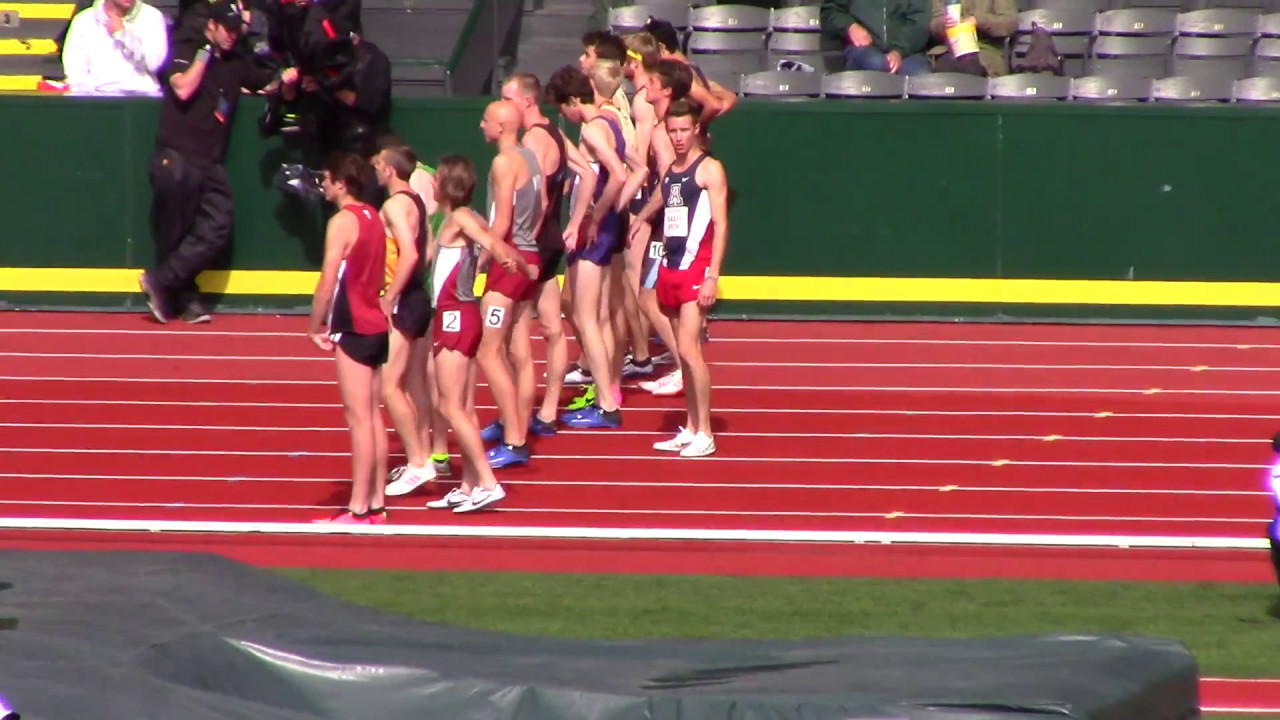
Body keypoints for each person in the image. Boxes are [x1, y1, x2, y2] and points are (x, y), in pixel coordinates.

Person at [139, 0, 292, 324]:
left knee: (218, 225)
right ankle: (183, 296)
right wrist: (206, 53)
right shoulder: (187, 46)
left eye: (237, 30)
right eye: (227, 29)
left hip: (209, 159)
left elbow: (265, 83)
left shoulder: (237, 61)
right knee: (176, 226)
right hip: (177, 153)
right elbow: (182, 88)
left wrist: (287, 80)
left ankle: (164, 281)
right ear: (211, 26)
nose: (232, 35)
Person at [423, 155, 534, 513]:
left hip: (455, 315)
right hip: (460, 314)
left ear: (447, 184)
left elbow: (489, 239)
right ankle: (468, 485)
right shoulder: (455, 218)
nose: (432, 182)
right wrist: (519, 263)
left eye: (437, 178)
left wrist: (507, 259)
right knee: (464, 407)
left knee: (449, 405)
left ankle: (487, 482)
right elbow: (491, 238)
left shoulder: (460, 217)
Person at [499, 73, 598, 437]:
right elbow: (587, 174)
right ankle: (547, 412)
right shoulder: (555, 132)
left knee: (514, 333)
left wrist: (523, 241)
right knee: (554, 329)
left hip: (534, 244)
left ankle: (517, 418)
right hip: (551, 241)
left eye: (507, 98)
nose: (503, 105)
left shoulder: (533, 140)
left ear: (525, 100)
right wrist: (573, 222)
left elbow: (537, 198)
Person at [631, 99, 728, 458]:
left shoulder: (709, 170)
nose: (678, 137)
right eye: (672, 131)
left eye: (684, 130)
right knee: (681, 357)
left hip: (695, 268)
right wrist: (641, 217)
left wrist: (712, 276)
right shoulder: (673, 169)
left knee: (689, 350)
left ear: (697, 129)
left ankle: (706, 432)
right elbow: (663, 193)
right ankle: (690, 426)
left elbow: (721, 225)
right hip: (670, 267)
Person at [544, 63, 637, 429]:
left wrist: (596, 217)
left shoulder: (593, 128)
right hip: (609, 226)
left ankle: (606, 405)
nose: (563, 115)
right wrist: (618, 211)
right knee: (598, 317)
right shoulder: (611, 122)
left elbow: (619, 174)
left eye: (562, 108)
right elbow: (637, 170)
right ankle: (605, 394)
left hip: (595, 232)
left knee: (586, 318)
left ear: (572, 101)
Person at [306, 152, 391, 524]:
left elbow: (328, 280)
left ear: (341, 183)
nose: (323, 185)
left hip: (354, 325)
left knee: (359, 420)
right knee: (373, 416)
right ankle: (377, 502)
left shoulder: (342, 221)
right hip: (375, 323)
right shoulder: (374, 216)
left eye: (327, 179)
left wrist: (314, 325)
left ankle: (358, 506)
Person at [474, 100, 546, 469]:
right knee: (518, 351)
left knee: (488, 352)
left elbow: (501, 221)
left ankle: (514, 439)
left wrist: (480, 259)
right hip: (527, 255)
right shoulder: (531, 157)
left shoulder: (504, 162)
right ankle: (514, 425)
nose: (481, 125)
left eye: (485, 120)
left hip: (508, 261)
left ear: (501, 126)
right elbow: (542, 205)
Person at [370, 141, 442, 498]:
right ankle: (423, 455)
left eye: (377, 164)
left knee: (389, 386)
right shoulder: (416, 201)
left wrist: (390, 295)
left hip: (404, 300)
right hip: (417, 296)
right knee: (414, 382)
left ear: (390, 169)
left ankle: (417, 462)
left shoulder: (395, 205)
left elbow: (411, 254)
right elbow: (426, 250)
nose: (374, 169)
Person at [60, 0, 169, 96]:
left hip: (142, 95)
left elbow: (153, 63)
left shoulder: (152, 17)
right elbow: (75, 68)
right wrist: (88, 97)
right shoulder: (84, 20)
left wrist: (123, 34)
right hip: (97, 97)